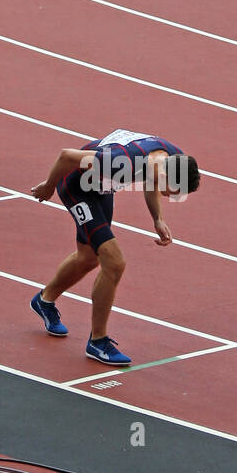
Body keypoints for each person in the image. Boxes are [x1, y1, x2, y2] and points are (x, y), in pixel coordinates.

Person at [30, 129, 201, 366]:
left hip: (102, 188)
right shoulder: (121, 162)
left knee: (88, 259)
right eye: (170, 191)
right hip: (76, 187)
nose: (169, 196)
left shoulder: (172, 157)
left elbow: (151, 179)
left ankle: (44, 301)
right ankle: (98, 342)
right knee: (114, 263)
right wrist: (49, 186)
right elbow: (66, 156)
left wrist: (157, 219)